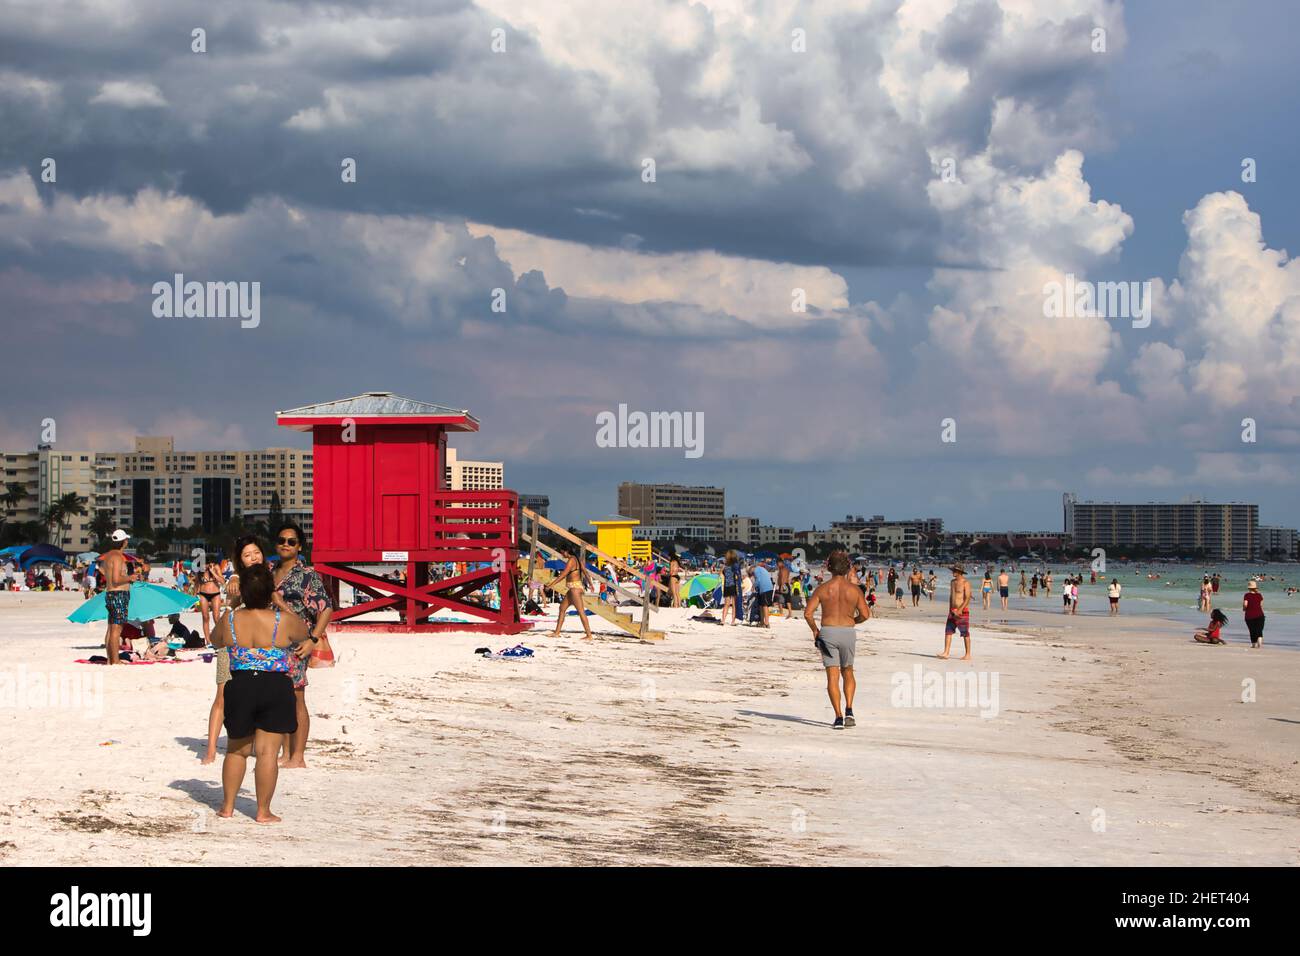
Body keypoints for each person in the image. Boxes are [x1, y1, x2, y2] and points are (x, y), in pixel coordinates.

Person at [210, 562, 309, 823]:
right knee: (267, 753)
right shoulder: (282, 620)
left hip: (241, 684)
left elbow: (215, 640)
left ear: (242, 591)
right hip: (274, 686)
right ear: (270, 591)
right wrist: (281, 603)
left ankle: (228, 806)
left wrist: (231, 605)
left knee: (236, 749)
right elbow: (304, 632)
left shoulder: (230, 619)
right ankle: (263, 811)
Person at [204, 535, 274, 765]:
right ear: (240, 560)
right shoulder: (237, 580)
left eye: (256, 552)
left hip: (260, 643)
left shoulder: (270, 575)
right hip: (234, 641)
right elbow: (231, 609)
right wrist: (233, 581)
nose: (253, 557)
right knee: (222, 695)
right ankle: (211, 750)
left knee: (260, 696)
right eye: (247, 555)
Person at [271, 522, 334, 769]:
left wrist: (313, 640)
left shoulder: (306, 575)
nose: (285, 545)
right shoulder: (270, 569)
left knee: (296, 697)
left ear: (299, 547)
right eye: (281, 540)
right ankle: (286, 753)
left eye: (291, 541)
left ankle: (298, 756)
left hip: (296, 643)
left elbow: (326, 608)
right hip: (271, 642)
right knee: (279, 698)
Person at [804, 550, 872, 730]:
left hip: (828, 633)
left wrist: (815, 630)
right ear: (847, 567)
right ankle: (849, 709)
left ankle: (838, 717)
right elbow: (866, 614)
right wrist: (853, 621)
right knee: (848, 671)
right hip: (848, 632)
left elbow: (808, 614)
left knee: (832, 677)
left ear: (829, 567)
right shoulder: (854, 590)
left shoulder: (822, 589)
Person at [99, 530, 138, 665]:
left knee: (111, 628)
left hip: (111, 593)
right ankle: (115, 660)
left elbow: (108, 575)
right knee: (117, 629)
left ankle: (110, 659)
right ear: (124, 542)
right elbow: (116, 579)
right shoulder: (117, 557)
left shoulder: (108, 556)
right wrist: (130, 578)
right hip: (118, 594)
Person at [550, 548, 594, 640]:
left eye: (562, 553)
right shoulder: (577, 559)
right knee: (562, 608)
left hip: (575, 588)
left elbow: (563, 575)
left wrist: (551, 584)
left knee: (581, 611)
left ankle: (589, 635)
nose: (562, 555)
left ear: (567, 551)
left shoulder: (571, 560)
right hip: (574, 588)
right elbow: (585, 572)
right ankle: (557, 632)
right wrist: (590, 584)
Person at [940, 564, 972, 661]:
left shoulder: (965, 583)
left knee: (965, 632)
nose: (953, 572)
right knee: (948, 631)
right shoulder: (952, 582)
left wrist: (960, 610)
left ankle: (968, 654)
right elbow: (951, 597)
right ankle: (946, 652)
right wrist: (950, 609)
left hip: (963, 611)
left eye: (955, 570)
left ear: (960, 572)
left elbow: (967, 598)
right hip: (952, 611)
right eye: (953, 570)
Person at [196, 559, 224, 644]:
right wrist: (194, 594)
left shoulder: (215, 567)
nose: (203, 567)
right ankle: (208, 640)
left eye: (205, 565)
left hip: (215, 594)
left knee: (216, 617)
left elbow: (222, 581)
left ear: (208, 564)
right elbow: (197, 583)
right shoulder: (200, 572)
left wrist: (213, 572)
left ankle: (221, 637)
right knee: (205, 617)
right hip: (203, 594)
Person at [750, 560, 775, 628]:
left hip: (766, 589)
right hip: (766, 588)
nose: (752, 575)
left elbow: (758, 580)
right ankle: (762, 622)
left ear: (752, 569)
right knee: (761, 606)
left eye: (752, 573)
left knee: (764, 606)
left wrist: (753, 586)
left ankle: (766, 623)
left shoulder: (756, 570)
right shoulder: (761, 569)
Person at [721, 550, 742, 626]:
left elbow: (722, 574)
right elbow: (737, 575)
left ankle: (723, 620)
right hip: (733, 585)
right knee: (734, 604)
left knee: (726, 604)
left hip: (726, 586)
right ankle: (732, 621)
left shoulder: (725, 566)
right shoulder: (735, 565)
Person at [1243, 579, 1265, 648]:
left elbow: (1245, 604)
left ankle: (1253, 644)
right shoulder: (1259, 595)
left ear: (1249, 588)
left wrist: (1244, 609)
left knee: (1252, 630)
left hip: (1249, 616)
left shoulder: (1247, 595)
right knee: (1259, 630)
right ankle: (1260, 640)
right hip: (1260, 615)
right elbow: (1261, 605)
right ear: (1255, 588)